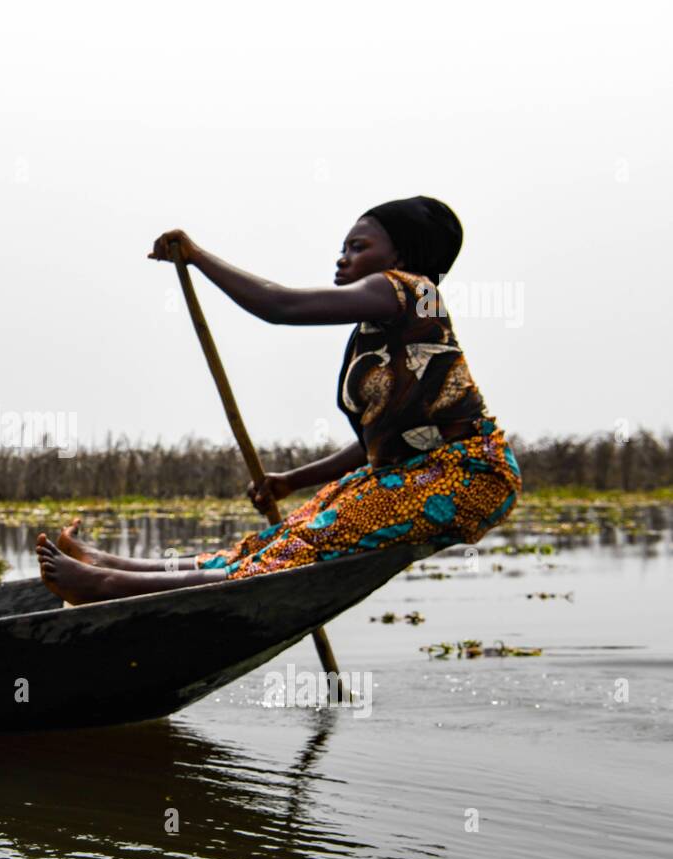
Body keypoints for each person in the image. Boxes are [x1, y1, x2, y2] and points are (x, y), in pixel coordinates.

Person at [36, 196, 521, 605]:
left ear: (401, 255)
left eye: (358, 247)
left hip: (468, 476)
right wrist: (291, 481)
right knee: (280, 538)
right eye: (343, 248)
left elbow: (281, 306)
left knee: (299, 552)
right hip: (416, 469)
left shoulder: (407, 289)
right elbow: (383, 439)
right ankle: (117, 566)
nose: (343, 258)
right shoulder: (391, 323)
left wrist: (197, 257)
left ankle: (107, 584)